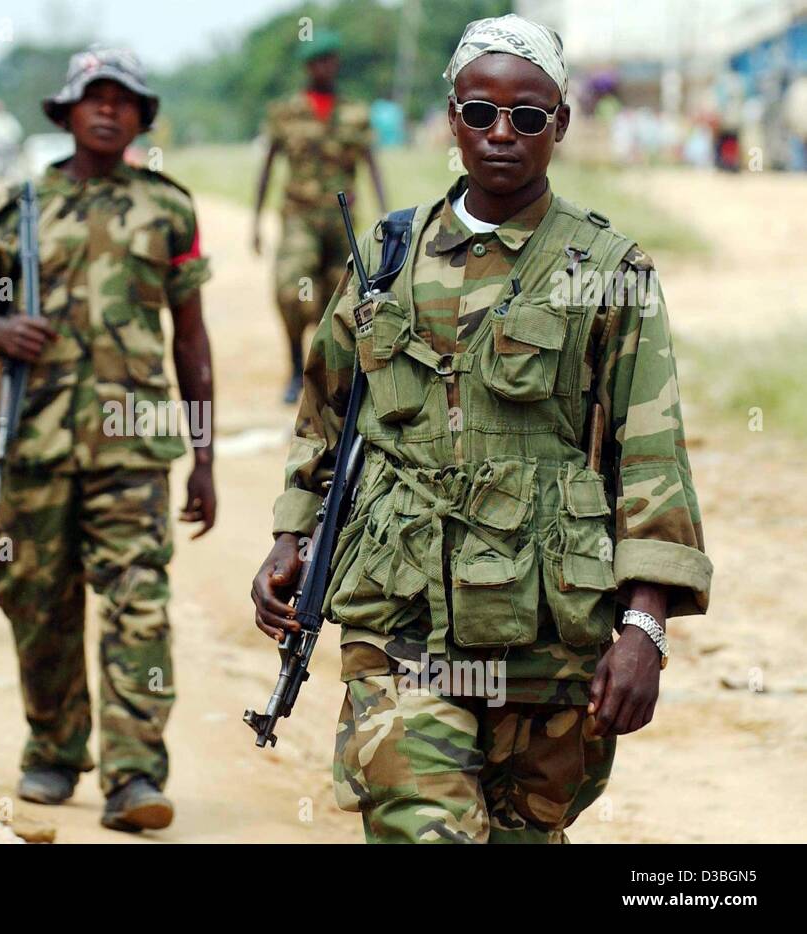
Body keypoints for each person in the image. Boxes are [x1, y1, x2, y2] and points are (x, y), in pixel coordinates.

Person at [249, 14, 712, 844]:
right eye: (480, 112)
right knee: (425, 826)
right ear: (451, 118)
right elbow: (326, 410)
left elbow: (651, 458)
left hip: (550, 635)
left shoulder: (607, 272)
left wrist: (645, 627)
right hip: (401, 617)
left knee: (523, 835)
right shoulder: (387, 255)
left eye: (528, 116)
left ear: (560, 125)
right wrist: (291, 535)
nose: (503, 134)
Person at [0, 47, 216, 833]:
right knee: (39, 601)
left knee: (139, 606)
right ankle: (56, 749)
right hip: (36, 444)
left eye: (124, 99)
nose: (108, 110)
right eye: (92, 98)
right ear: (65, 113)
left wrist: (203, 456)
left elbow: (191, 341)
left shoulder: (169, 209)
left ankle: (135, 776)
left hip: (134, 451)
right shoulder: (20, 209)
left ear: (142, 116)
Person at [252, 29, 387, 404]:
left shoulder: (355, 114)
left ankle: (332, 377)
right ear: (307, 66)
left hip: (341, 222)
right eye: (316, 61)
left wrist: (386, 214)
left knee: (339, 300)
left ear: (336, 63)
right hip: (300, 218)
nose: (323, 67)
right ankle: (295, 369)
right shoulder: (286, 112)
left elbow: (372, 164)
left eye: (329, 60)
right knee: (292, 292)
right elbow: (266, 165)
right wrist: (256, 221)